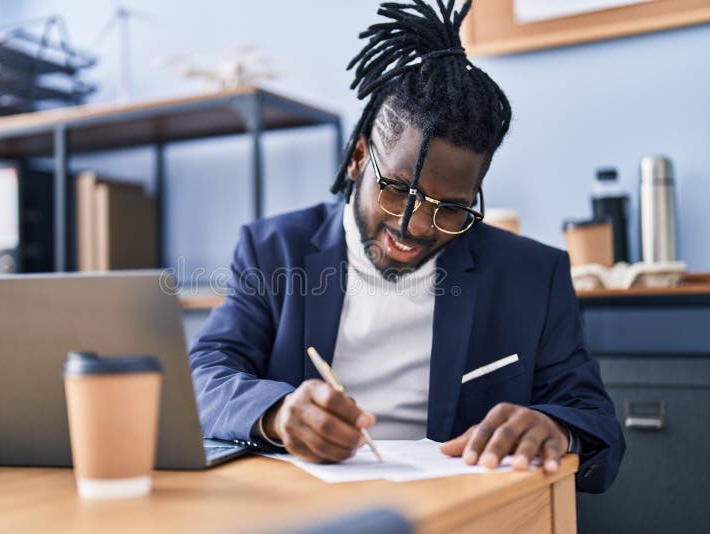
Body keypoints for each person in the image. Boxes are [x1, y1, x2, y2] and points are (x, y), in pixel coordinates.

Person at [189, 0, 624, 493]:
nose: (414, 226)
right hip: (302, 508)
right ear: (358, 158)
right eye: (398, 189)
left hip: (461, 511)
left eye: (450, 207)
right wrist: (276, 413)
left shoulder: (531, 276)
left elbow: (597, 424)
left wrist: (557, 429)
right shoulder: (273, 250)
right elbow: (203, 376)